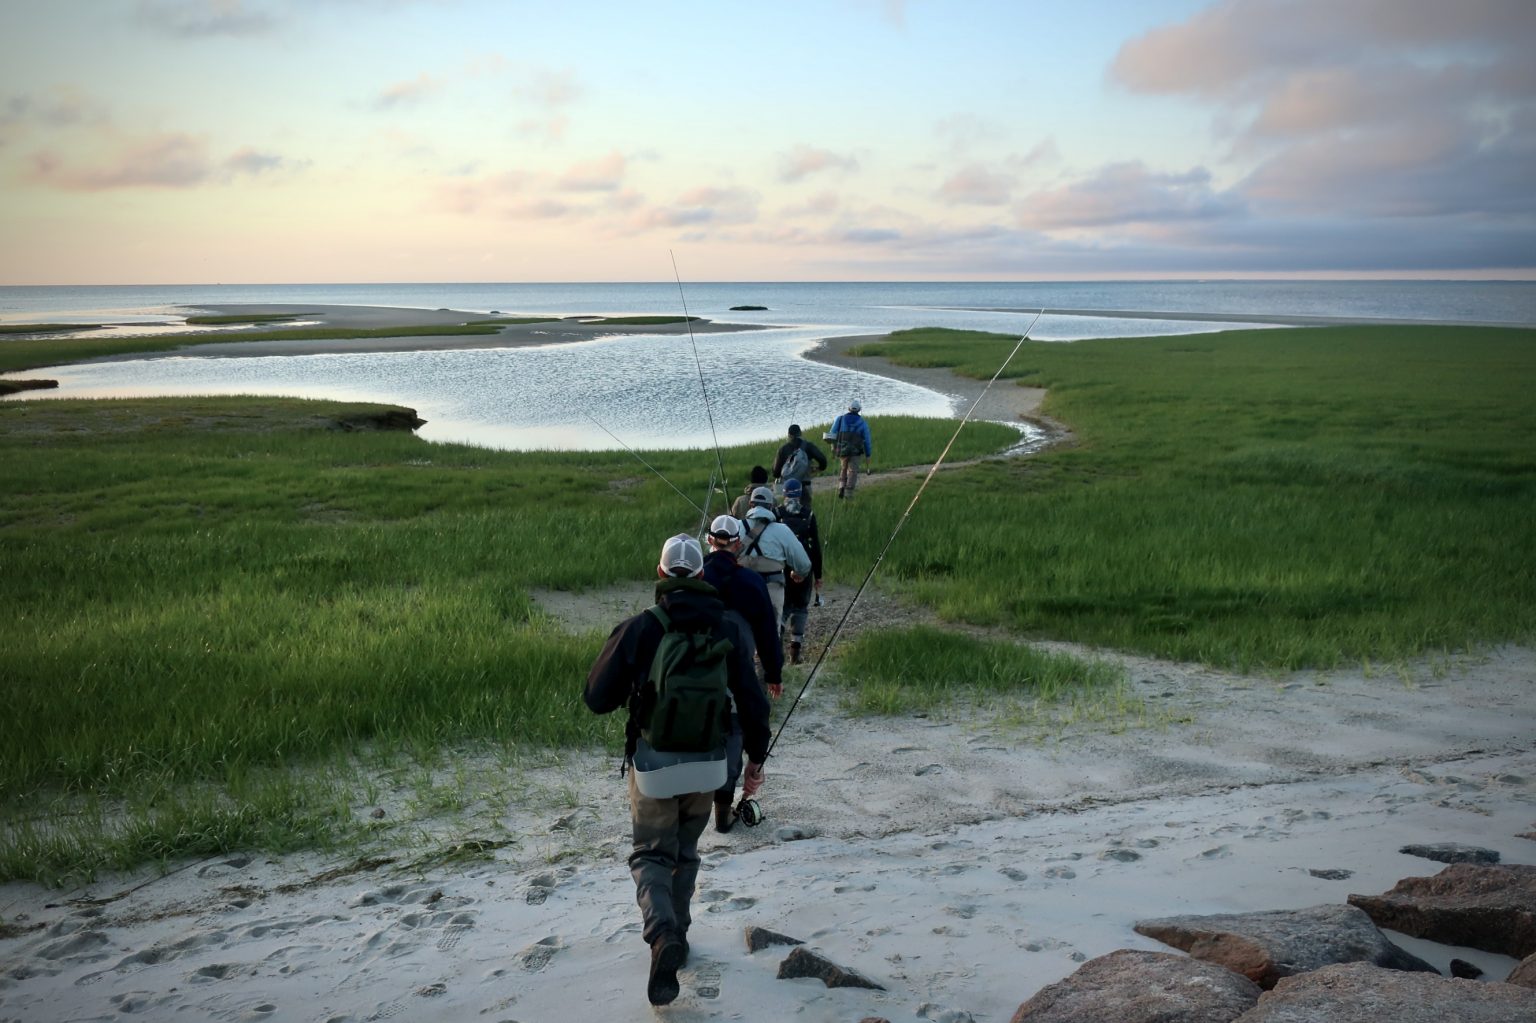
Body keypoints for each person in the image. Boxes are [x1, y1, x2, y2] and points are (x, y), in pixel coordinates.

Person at [584, 534, 770, 1006]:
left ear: (661, 574)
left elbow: (596, 699)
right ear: (703, 574)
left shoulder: (641, 627)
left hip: (653, 765)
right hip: (707, 766)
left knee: (651, 854)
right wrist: (756, 758)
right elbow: (752, 701)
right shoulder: (728, 627)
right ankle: (679, 937)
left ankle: (662, 933)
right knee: (685, 853)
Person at [701, 514, 783, 832]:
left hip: (696, 666)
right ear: (738, 544)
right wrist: (773, 674)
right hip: (738, 661)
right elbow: (767, 633)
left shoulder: (696, 576)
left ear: (710, 540)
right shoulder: (751, 582)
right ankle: (723, 811)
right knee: (735, 725)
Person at [737, 486, 811, 624]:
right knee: (771, 629)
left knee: (741, 626)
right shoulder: (782, 530)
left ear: (750, 504)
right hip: (771, 589)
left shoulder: (736, 527)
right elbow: (804, 564)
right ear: (771, 506)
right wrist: (798, 573)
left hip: (740, 587)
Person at [775, 479, 823, 665]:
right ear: (800, 494)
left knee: (782, 608)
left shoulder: (777, 513)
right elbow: (816, 547)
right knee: (801, 608)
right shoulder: (808, 514)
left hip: (783, 567)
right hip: (805, 566)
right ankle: (795, 653)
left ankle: (777, 648)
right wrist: (818, 575)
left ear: (784, 493)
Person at [771, 424, 828, 506]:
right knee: (806, 510)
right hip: (805, 485)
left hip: (789, 487)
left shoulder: (783, 449)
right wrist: (819, 468)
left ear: (789, 435)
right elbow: (823, 460)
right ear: (800, 433)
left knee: (789, 510)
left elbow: (775, 473)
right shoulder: (808, 446)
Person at [829, 399, 872, 499]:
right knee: (852, 471)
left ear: (849, 409)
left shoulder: (840, 419)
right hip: (855, 452)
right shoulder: (863, 423)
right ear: (859, 410)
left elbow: (832, 433)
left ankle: (841, 487)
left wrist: (833, 447)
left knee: (844, 468)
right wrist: (868, 454)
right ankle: (848, 494)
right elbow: (867, 440)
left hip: (842, 449)